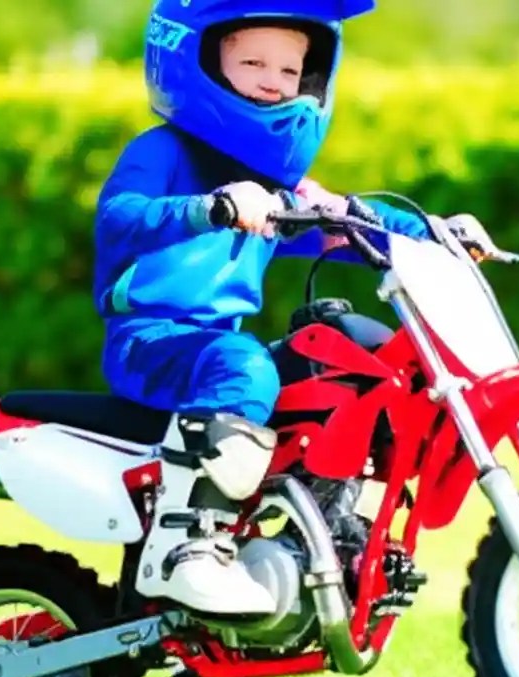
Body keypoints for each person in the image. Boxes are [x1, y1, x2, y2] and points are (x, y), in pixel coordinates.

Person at [94, 0, 482, 617]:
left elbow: (351, 219)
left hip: (216, 347)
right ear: (197, 63)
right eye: (252, 62)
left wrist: (436, 234)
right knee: (244, 367)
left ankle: (329, 528)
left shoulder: (275, 182)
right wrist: (210, 207)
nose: (274, 82)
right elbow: (118, 218)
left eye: (290, 70)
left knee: (352, 366)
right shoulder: (163, 152)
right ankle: (186, 548)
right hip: (152, 340)